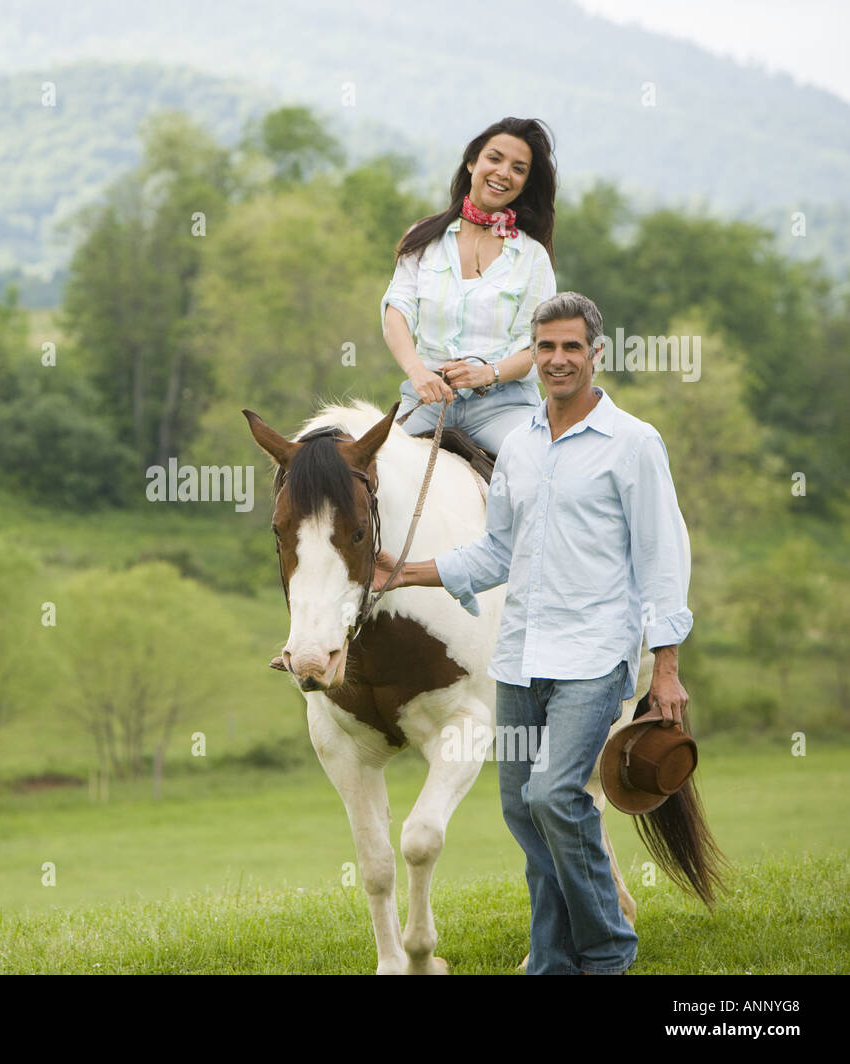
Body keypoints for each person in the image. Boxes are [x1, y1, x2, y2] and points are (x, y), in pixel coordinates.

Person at [370, 291, 693, 975]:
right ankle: (551, 960)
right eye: (545, 347)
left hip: (595, 655)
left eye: (571, 347)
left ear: (596, 354)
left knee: (555, 796)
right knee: (523, 809)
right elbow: (494, 554)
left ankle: (606, 951)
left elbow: (664, 557)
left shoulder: (633, 443)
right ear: (534, 355)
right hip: (519, 658)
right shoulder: (518, 446)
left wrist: (664, 666)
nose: (557, 359)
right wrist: (404, 572)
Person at [381, 117, 558, 455]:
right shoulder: (424, 238)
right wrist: (418, 372)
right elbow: (396, 314)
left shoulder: (532, 257)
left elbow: (535, 350)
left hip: (503, 407)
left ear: (525, 183)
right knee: (364, 469)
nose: (504, 172)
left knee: (536, 466)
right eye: (495, 159)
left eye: (518, 169)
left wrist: (487, 374)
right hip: (428, 400)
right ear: (472, 162)